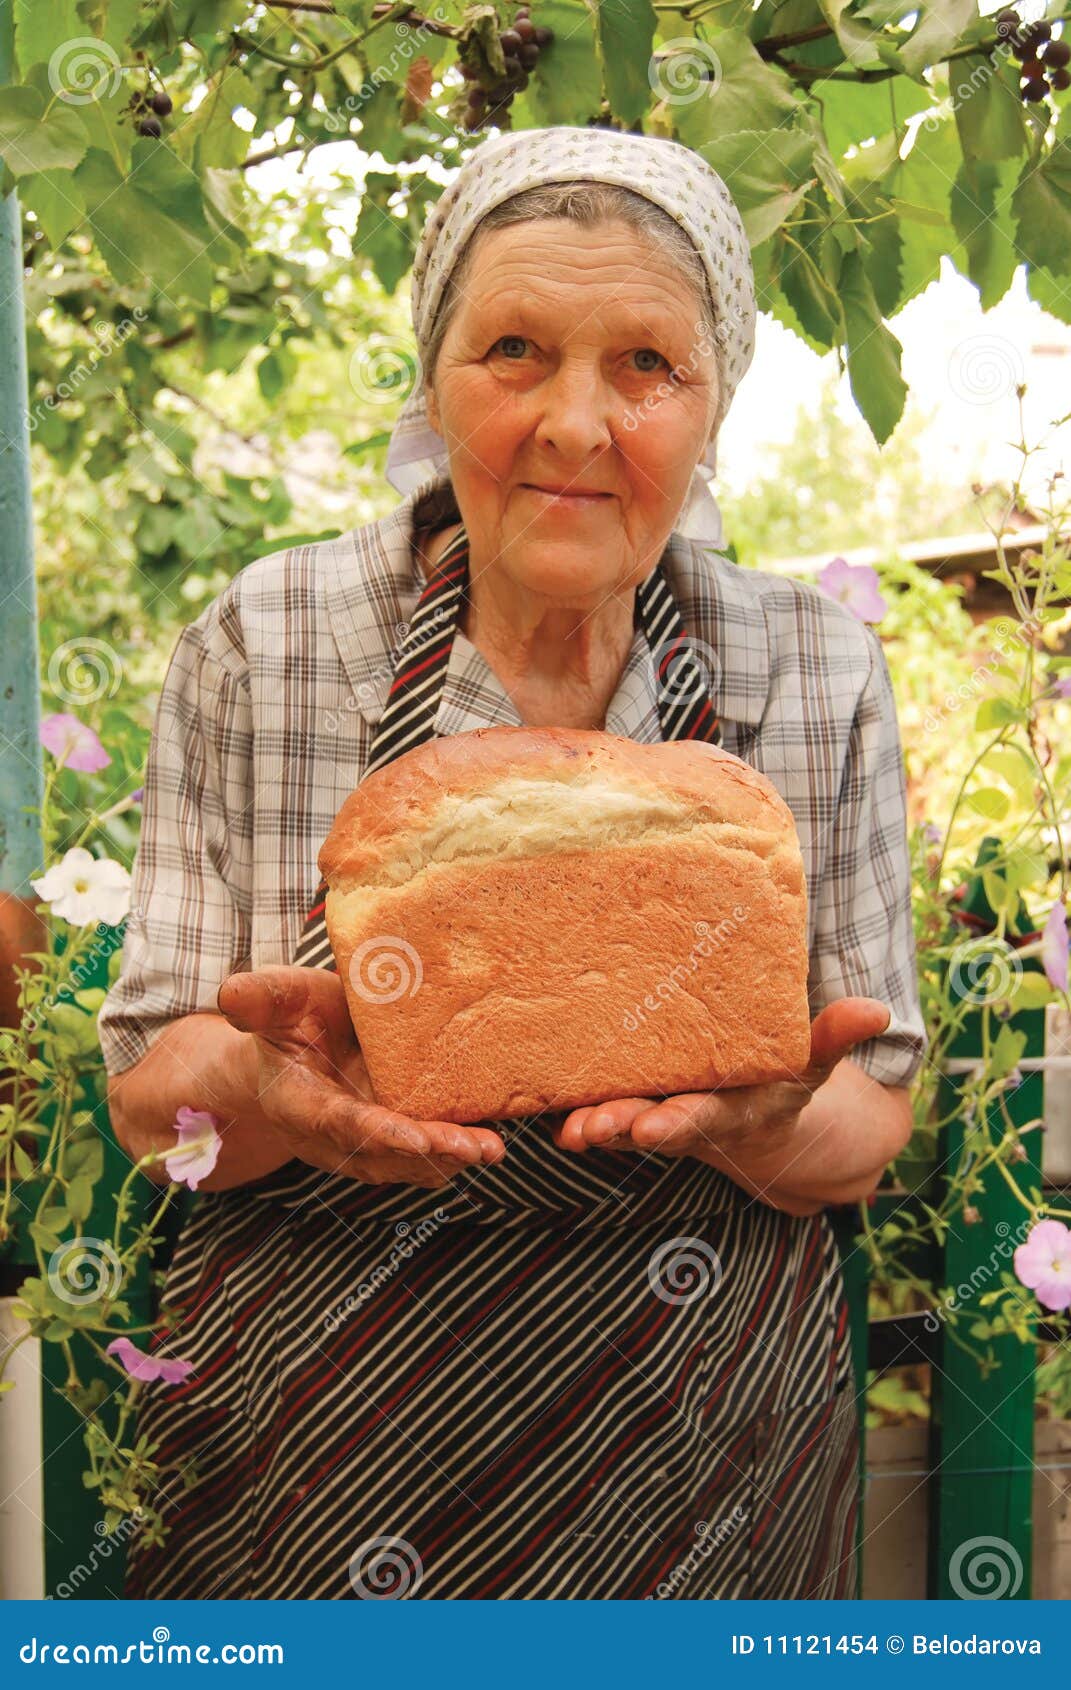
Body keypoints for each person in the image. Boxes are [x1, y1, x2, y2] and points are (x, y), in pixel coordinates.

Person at [97, 125, 927, 1600]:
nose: (574, 423)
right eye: (516, 352)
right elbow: (157, 1104)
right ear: (434, 381)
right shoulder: (269, 639)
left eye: (647, 367)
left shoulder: (814, 665)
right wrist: (260, 1087)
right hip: (330, 1431)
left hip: (700, 1444)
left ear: (713, 400)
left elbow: (864, 1125)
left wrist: (755, 1118)